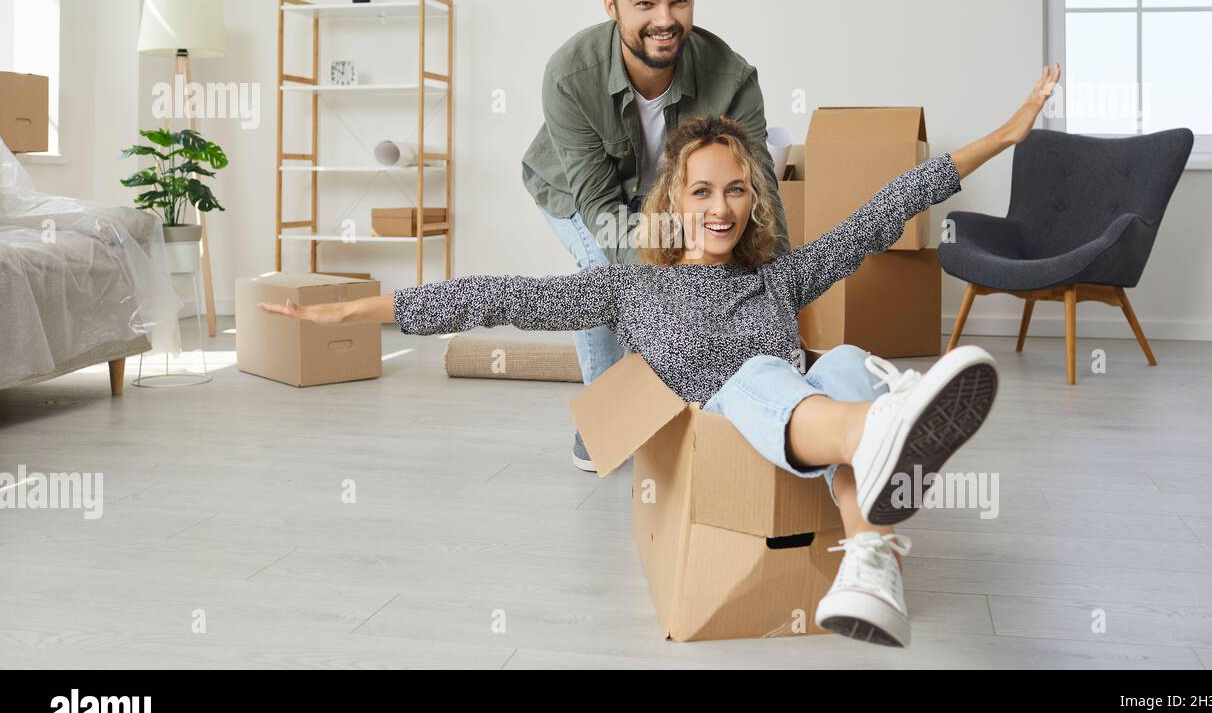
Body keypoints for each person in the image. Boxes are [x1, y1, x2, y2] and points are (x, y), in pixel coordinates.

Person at [261, 64, 1062, 646]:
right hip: (737, 424)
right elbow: (496, 296)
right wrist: (360, 306)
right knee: (759, 378)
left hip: (803, 426)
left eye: (738, 190)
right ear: (674, 200)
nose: (722, 207)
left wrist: (1005, 133)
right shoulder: (628, 291)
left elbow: (882, 212)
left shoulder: (780, 277)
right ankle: (880, 433)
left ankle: (871, 561)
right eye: (703, 190)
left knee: (845, 358)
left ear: (755, 202)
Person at [521, 0, 791, 470]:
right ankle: (604, 422)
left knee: (713, 269)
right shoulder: (569, 76)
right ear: (611, 5)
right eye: (644, 3)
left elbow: (760, 193)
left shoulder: (734, 79)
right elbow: (600, 207)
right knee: (604, 271)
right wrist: (660, 278)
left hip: (666, 198)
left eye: (678, 1)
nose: (664, 20)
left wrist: (775, 290)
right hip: (575, 191)